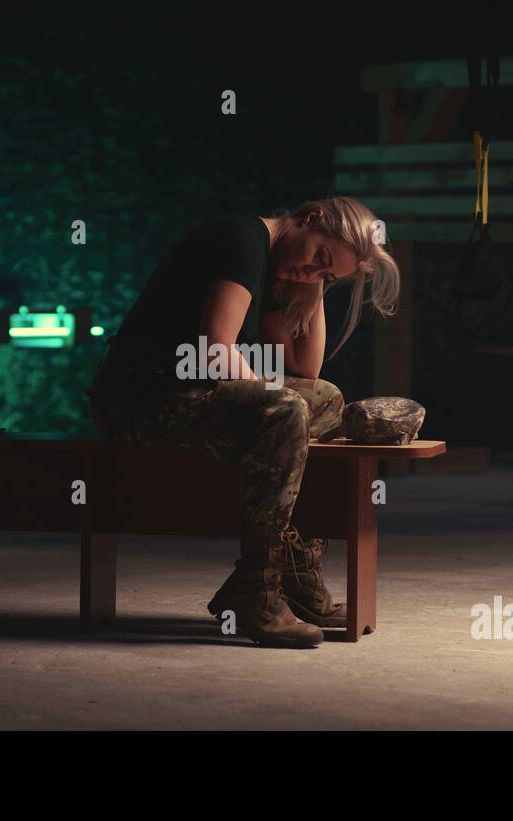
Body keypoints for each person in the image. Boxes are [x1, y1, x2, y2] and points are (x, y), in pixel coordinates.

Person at [88, 197, 399, 648]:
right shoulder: (242, 242)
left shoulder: (278, 268)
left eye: (328, 275)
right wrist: (276, 404)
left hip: (186, 392)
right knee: (288, 409)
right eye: (319, 257)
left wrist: (314, 290)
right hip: (140, 396)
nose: (311, 271)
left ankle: (295, 578)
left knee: (324, 401)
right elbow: (216, 351)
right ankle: (255, 587)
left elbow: (305, 369)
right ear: (309, 217)